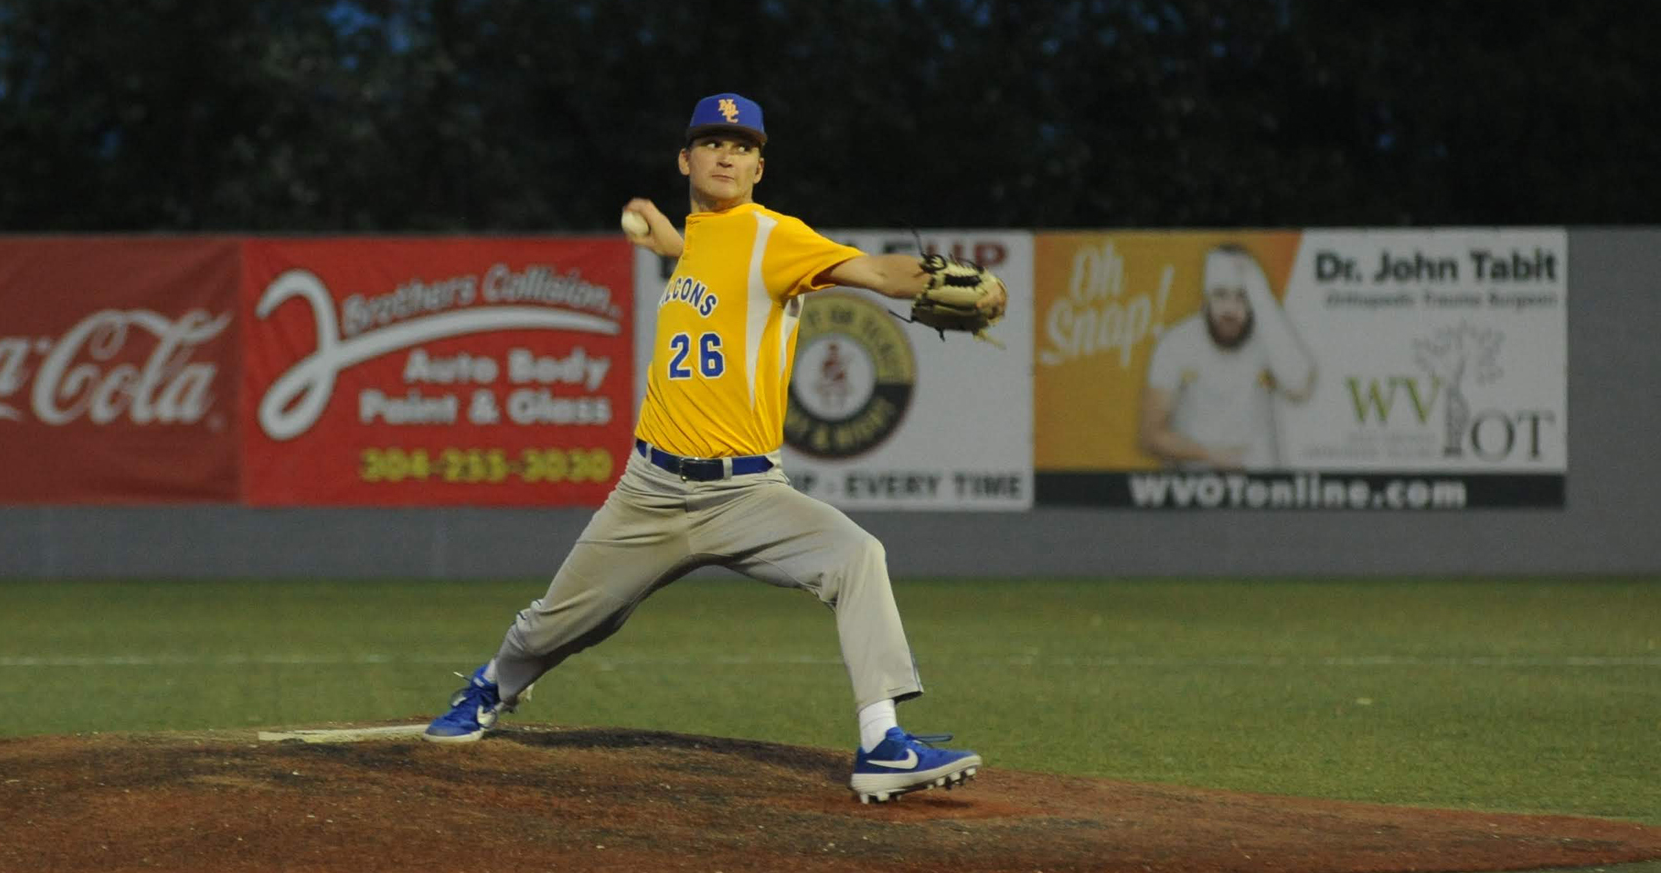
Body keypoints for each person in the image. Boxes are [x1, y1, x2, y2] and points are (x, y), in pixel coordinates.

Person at [422, 92, 1006, 804]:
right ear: (685, 159)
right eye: (711, 143)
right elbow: (699, 250)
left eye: (742, 147)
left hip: (748, 493)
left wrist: (942, 279)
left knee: (857, 556)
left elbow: (875, 273)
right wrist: (665, 238)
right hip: (651, 491)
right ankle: (492, 687)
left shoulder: (774, 235)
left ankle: (882, 741)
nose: (727, 155)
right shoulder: (699, 238)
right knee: (561, 622)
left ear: (760, 167)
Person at [1138, 243, 1316, 470]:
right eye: (1221, 295)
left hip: (1262, 486)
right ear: (1205, 300)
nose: (1231, 310)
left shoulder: (1268, 337)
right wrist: (1210, 455)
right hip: (1196, 486)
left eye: (1241, 297)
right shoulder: (1176, 342)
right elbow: (1151, 435)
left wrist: (1260, 292)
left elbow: (1300, 388)